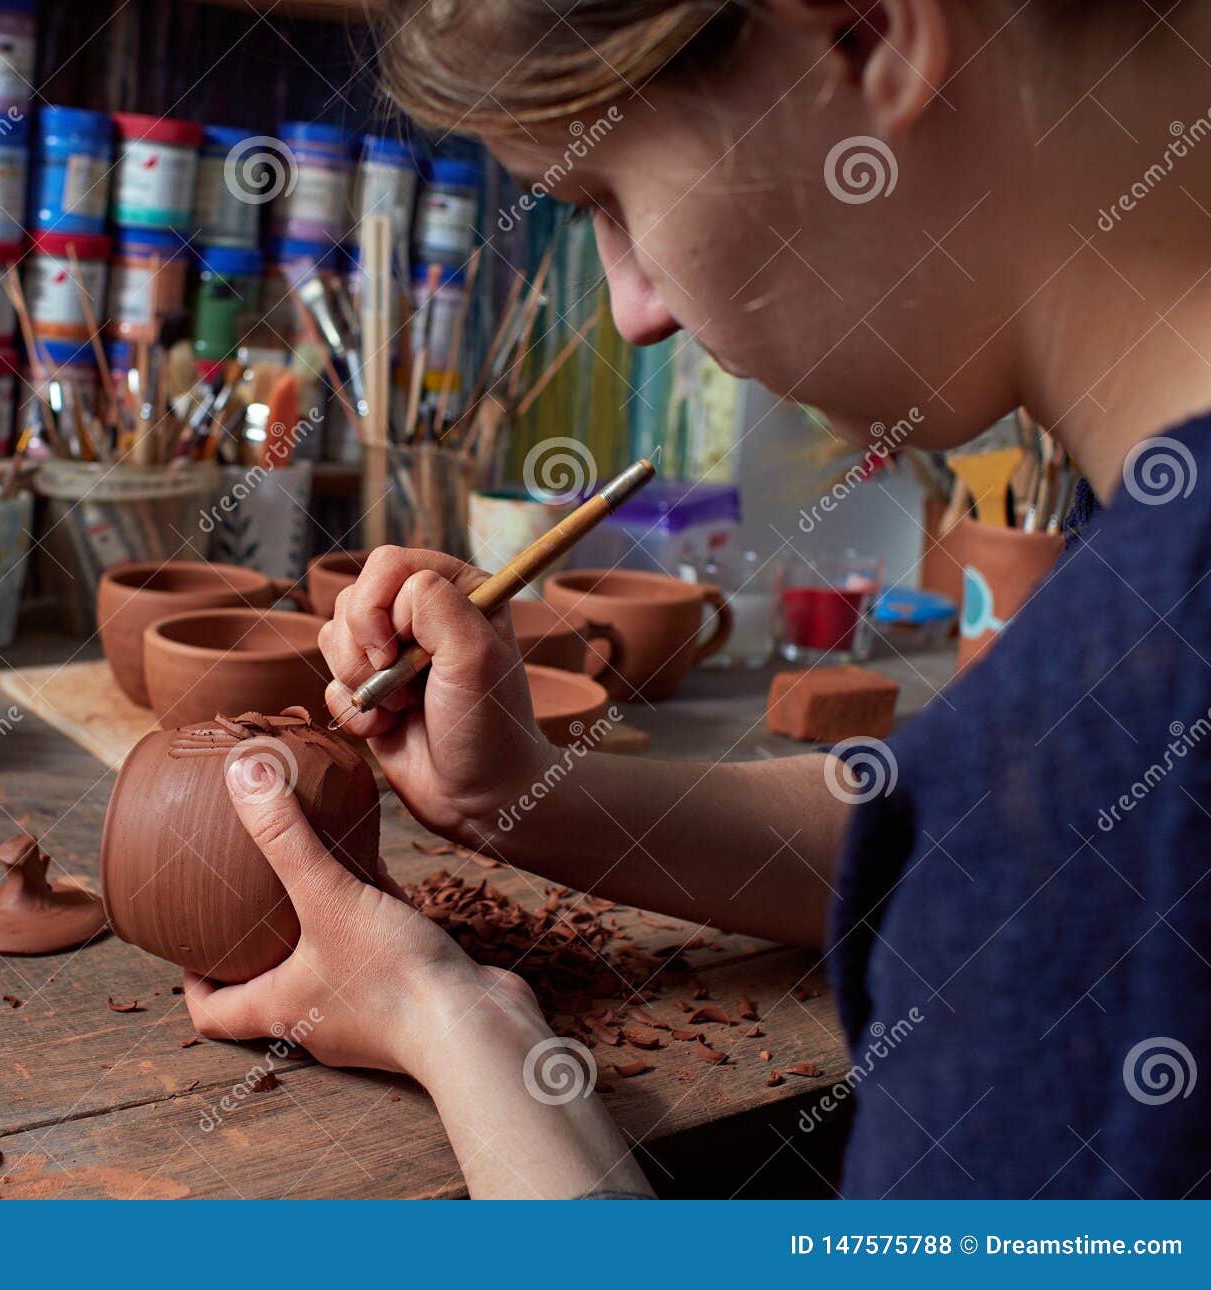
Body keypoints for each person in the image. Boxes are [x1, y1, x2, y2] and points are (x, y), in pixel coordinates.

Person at [186, 0, 1211, 1198]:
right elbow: (991, 828)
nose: (635, 313)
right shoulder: (1143, 577)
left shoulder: (1155, 682)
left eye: (607, 197)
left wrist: (458, 1030)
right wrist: (520, 797)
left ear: (867, 36)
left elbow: (1080, 837)